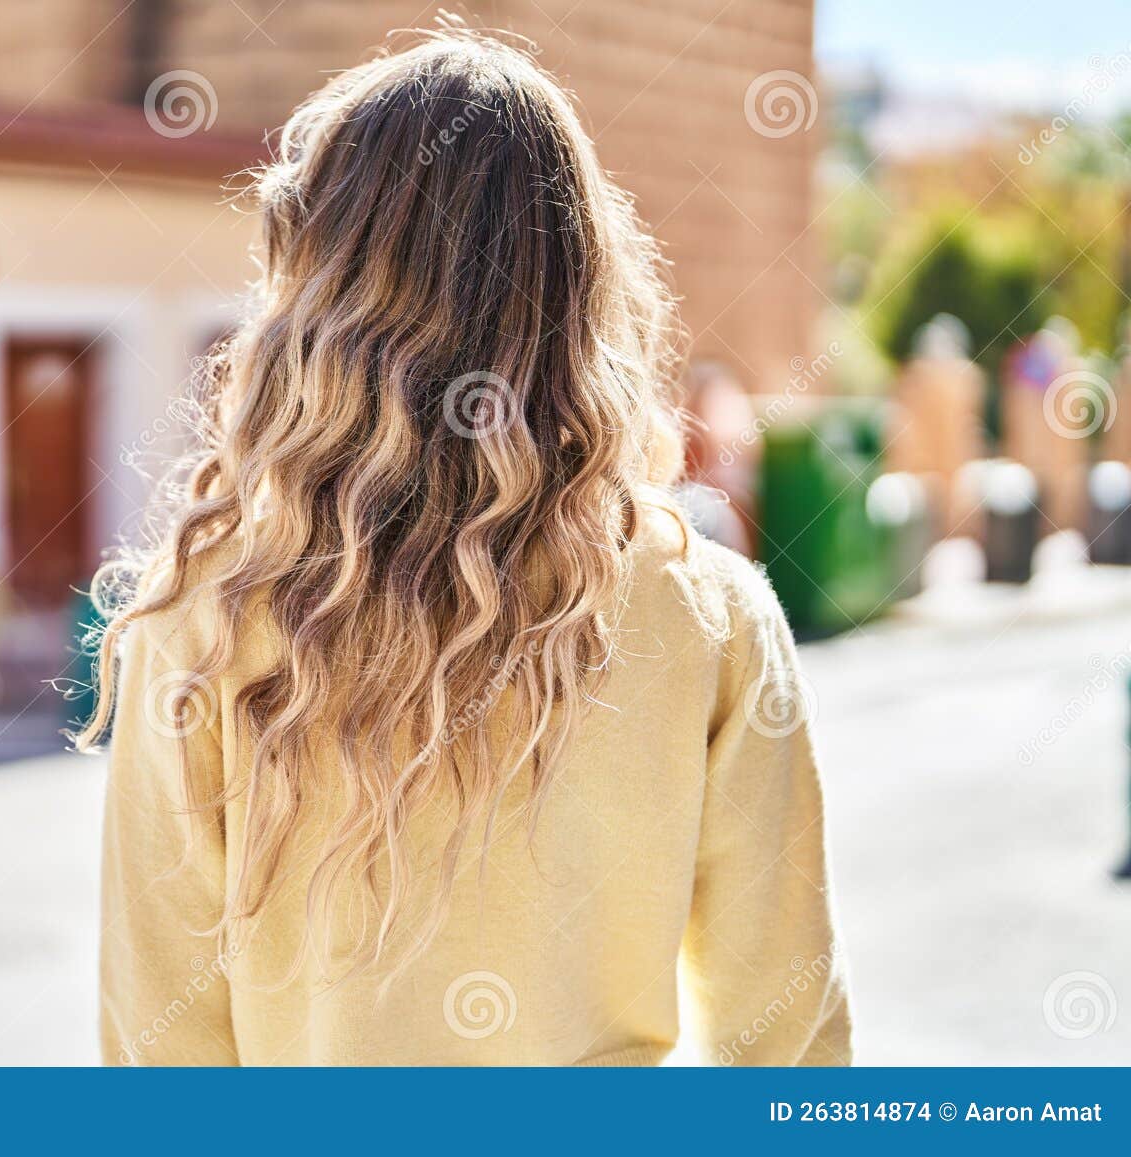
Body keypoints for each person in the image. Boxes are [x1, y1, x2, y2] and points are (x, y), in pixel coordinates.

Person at [81, 29, 850, 1066]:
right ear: (579, 288)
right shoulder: (707, 614)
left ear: (317, 291)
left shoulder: (202, 624)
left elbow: (157, 1044)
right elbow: (786, 1040)